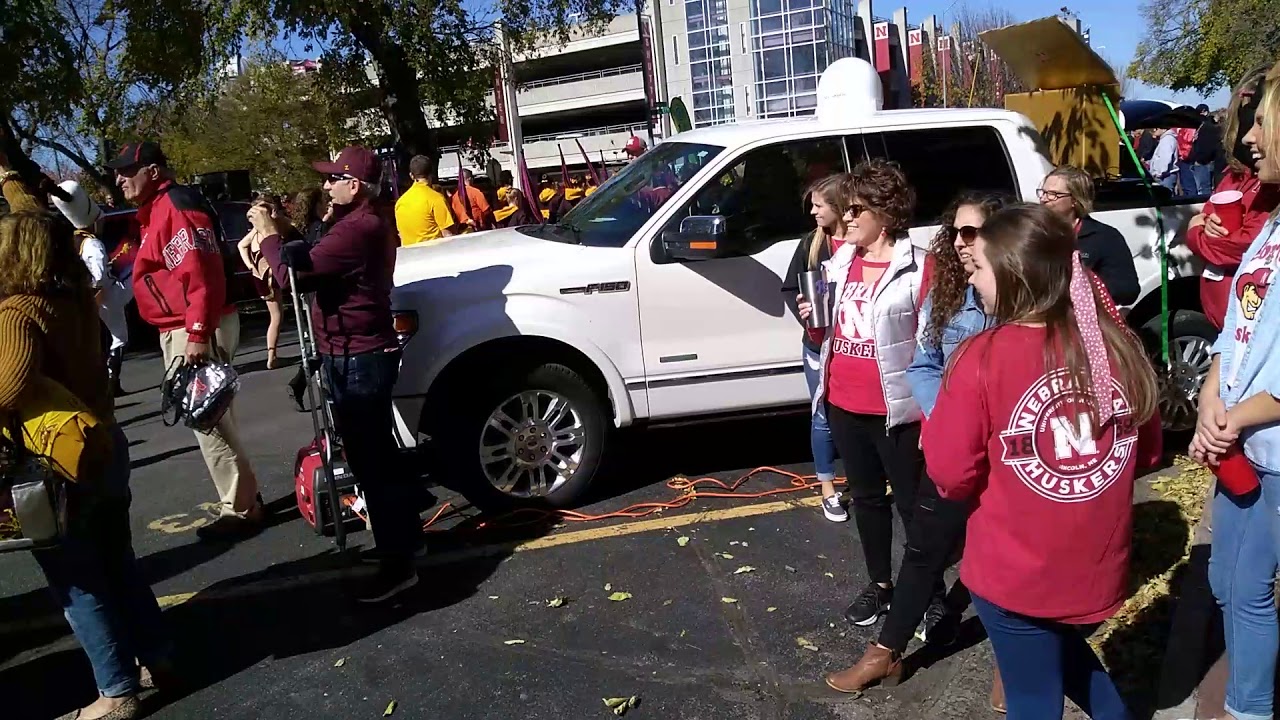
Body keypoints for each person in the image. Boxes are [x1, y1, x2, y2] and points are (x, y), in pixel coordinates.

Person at [924, 203, 1162, 720]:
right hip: (1093, 564)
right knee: (1065, 657)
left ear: (1012, 275)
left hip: (1017, 570)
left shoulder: (981, 357)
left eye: (980, 270)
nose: (974, 281)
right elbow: (1147, 451)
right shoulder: (1115, 346)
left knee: (1033, 696)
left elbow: (949, 473)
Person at [824, 192, 1011, 698]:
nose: (958, 244)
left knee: (1001, 553)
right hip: (955, 445)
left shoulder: (1032, 297)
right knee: (925, 547)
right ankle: (885, 654)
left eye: (970, 234)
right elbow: (925, 361)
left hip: (1012, 455)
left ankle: (1012, 661)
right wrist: (948, 416)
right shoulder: (951, 293)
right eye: (955, 232)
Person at [1, 211, 173, 720]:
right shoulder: (75, 299)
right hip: (105, 442)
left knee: (77, 582)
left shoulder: (15, 312)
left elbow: (8, 386)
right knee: (118, 563)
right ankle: (159, 659)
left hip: (58, 461)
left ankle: (116, 692)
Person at [257, 145, 424, 603]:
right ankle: (404, 544)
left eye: (334, 179)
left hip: (359, 358)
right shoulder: (359, 222)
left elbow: (294, 275)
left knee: (373, 463)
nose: (325, 185)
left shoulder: (359, 228)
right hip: (355, 353)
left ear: (355, 185)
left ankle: (399, 562)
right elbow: (311, 254)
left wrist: (269, 235)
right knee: (377, 458)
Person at [795, 159, 930, 630]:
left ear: (886, 214)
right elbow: (821, 339)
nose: (846, 218)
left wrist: (933, 412)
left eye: (856, 210)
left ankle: (928, 590)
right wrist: (811, 321)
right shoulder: (838, 263)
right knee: (869, 502)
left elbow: (934, 345)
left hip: (896, 410)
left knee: (913, 507)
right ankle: (881, 585)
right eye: (846, 211)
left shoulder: (919, 267)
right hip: (843, 402)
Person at [107, 140, 265, 540]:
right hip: (185, 325)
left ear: (154, 172)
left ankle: (242, 509)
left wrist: (196, 331)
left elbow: (202, 272)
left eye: (128, 171)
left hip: (190, 327)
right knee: (216, 419)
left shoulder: (174, 207)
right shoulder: (158, 210)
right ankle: (246, 500)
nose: (119, 178)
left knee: (207, 420)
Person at [1191, 60, 1280, 720]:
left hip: (1271, 450)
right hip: (1240, 445)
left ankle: (1248, 709)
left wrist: (1240, 416)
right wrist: (1209, 399)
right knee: (1223, 581)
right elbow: (1237, 328)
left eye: (1261, 122)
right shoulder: (1272, 231)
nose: (1248, 136)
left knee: (1247, 590)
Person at [1187, 64, 1280, 331]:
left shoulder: (1269, 186)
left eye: (1259, 122)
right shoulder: (1234, 175)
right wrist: (1200, 224)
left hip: (1248, 329)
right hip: (1227, 327)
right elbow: (1204, 214)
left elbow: (1245, 246)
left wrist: (1197, 237)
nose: (1248, 136)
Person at [781, 174, 848, 523]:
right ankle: (827, 487)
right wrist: (805, 310)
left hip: (855, 345)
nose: (812, 210)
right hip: (818, 345)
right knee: (822, 414)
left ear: (839, 207)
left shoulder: (858, 243)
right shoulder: (811, 243)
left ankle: (868, 476)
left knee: (859, 417)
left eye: (819, 205)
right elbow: (792, 288)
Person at [50, 180, 132, 397]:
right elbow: (97, 279)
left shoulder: (74, 241)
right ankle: (112, 381)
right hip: (105, 296)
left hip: (91, 298)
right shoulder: (94, 244)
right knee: (119, 338)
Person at [1038, 166, 1141, 305]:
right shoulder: (1032, 231)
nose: (1044, 199)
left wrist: (1083, 289)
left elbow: (1127, 290)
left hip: (1080, 320)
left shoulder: (1104, 237)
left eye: (1053, 194)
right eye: (1043, 192)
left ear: (1075, 200)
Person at [237, 197, 286, 370]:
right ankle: (271, 354)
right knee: (276, 316)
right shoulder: (267, 232)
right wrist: (251, 265)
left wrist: (251, 265)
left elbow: (242, 245)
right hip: (269, 276)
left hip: (261, 275)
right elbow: (241, 245)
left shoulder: (256, 232)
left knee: (276, 315)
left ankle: (273, 353)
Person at [395, 155, 455, 246]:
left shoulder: (400, 203)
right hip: (434, 255)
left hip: (410, 257)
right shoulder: (436, 199)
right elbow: (448, 235)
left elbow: (401, 236)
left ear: (411, 176)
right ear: (431, 174)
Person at [1188, 104, 1224, 196]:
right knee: (1202, 188)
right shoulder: (1201, 126)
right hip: (1202, 162)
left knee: (1203, 190)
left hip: (1204, 163)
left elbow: (1207, 146)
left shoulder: (1208, 127)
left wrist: (1200, 160)